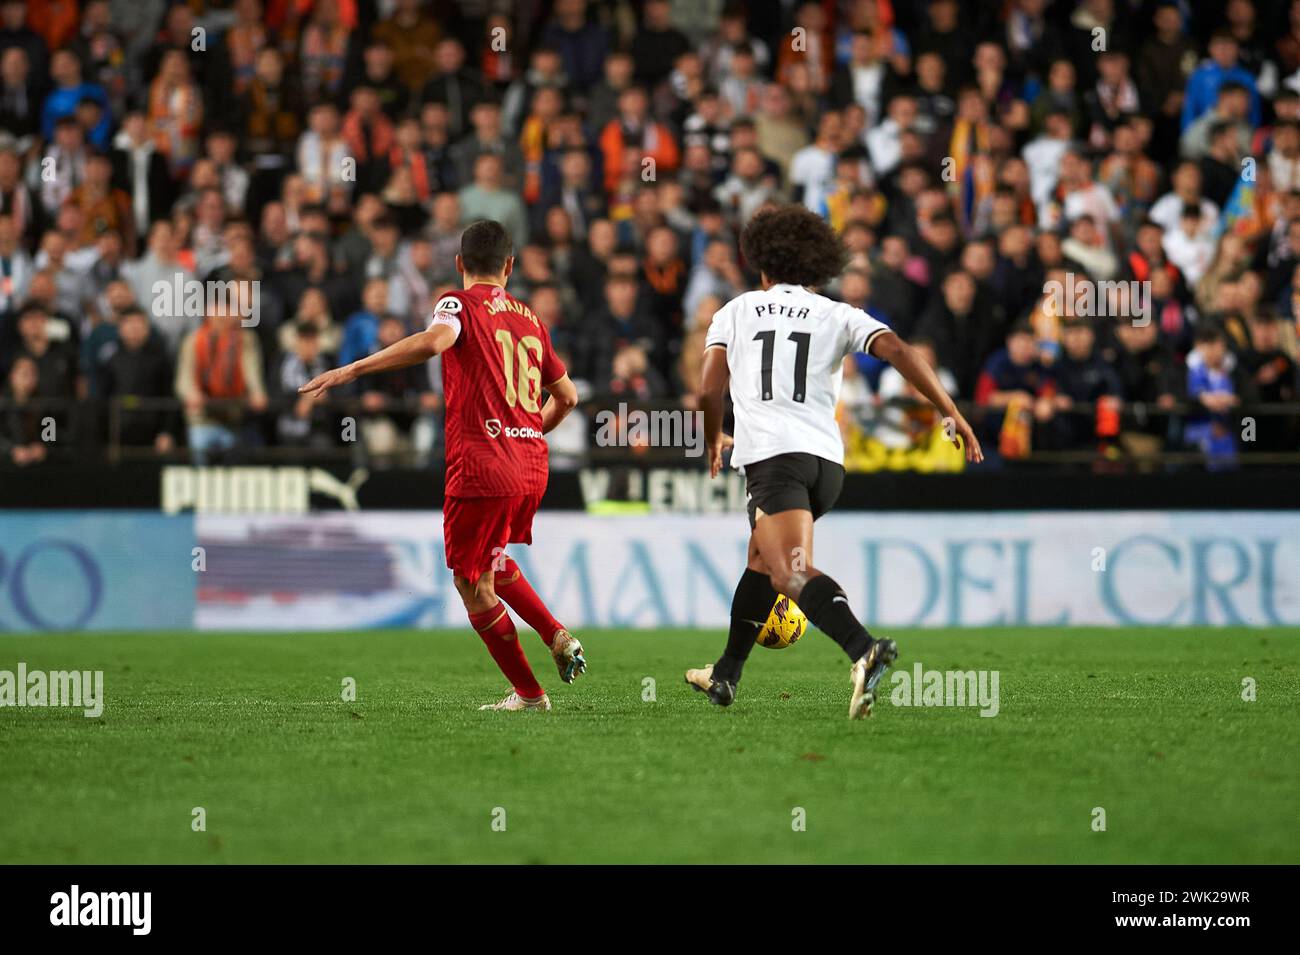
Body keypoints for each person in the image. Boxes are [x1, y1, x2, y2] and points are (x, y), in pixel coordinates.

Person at [687, 205, 982, 719]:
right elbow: (899, 350)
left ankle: (862, 649)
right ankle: (726, 674)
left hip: (775, 461)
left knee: (787, 572)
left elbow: (708, 390)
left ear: (760, 263)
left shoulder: (735, 310)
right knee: (761, 561)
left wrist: (713, 438)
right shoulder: (836, 312)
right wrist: (949, 409)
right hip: (826, 466)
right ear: (817, 265)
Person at [299, 220, 586, 711]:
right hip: (530, 465)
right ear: (510, 267)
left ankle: (530, 696)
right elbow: (569, 397)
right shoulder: (530, 316)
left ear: (459, 265)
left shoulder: (456, 302)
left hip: (482, 464)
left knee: (470, 581)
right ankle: (556, 635)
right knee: (491, 561)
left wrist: (353, 368)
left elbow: (435, 341)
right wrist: (527, 433)